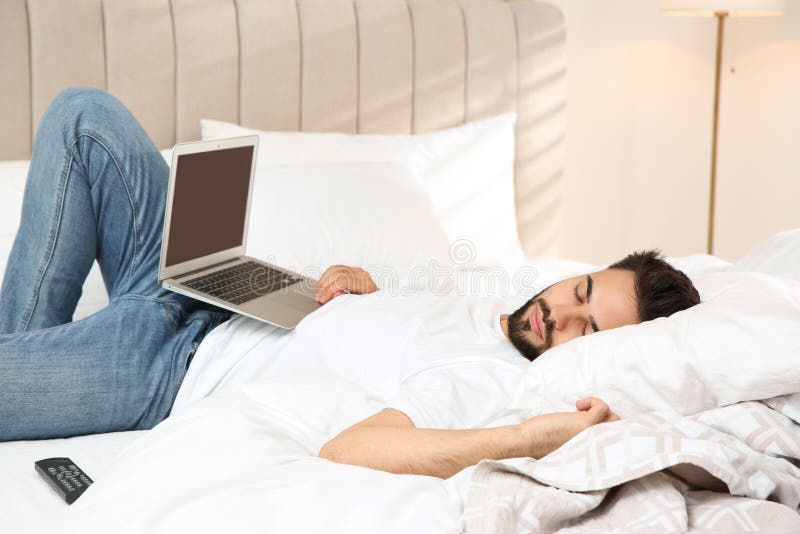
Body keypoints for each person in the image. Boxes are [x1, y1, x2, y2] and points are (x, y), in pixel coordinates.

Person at [0, 88, 700, 456]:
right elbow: (386, 340)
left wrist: (530, 439)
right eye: (579, 292)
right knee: (83, 115)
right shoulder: (477, 296)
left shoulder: (494, 382)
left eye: (587, 330)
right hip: (204, 285)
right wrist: (365, 294)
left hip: (168, 366)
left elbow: (358, 447)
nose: (560, 316)